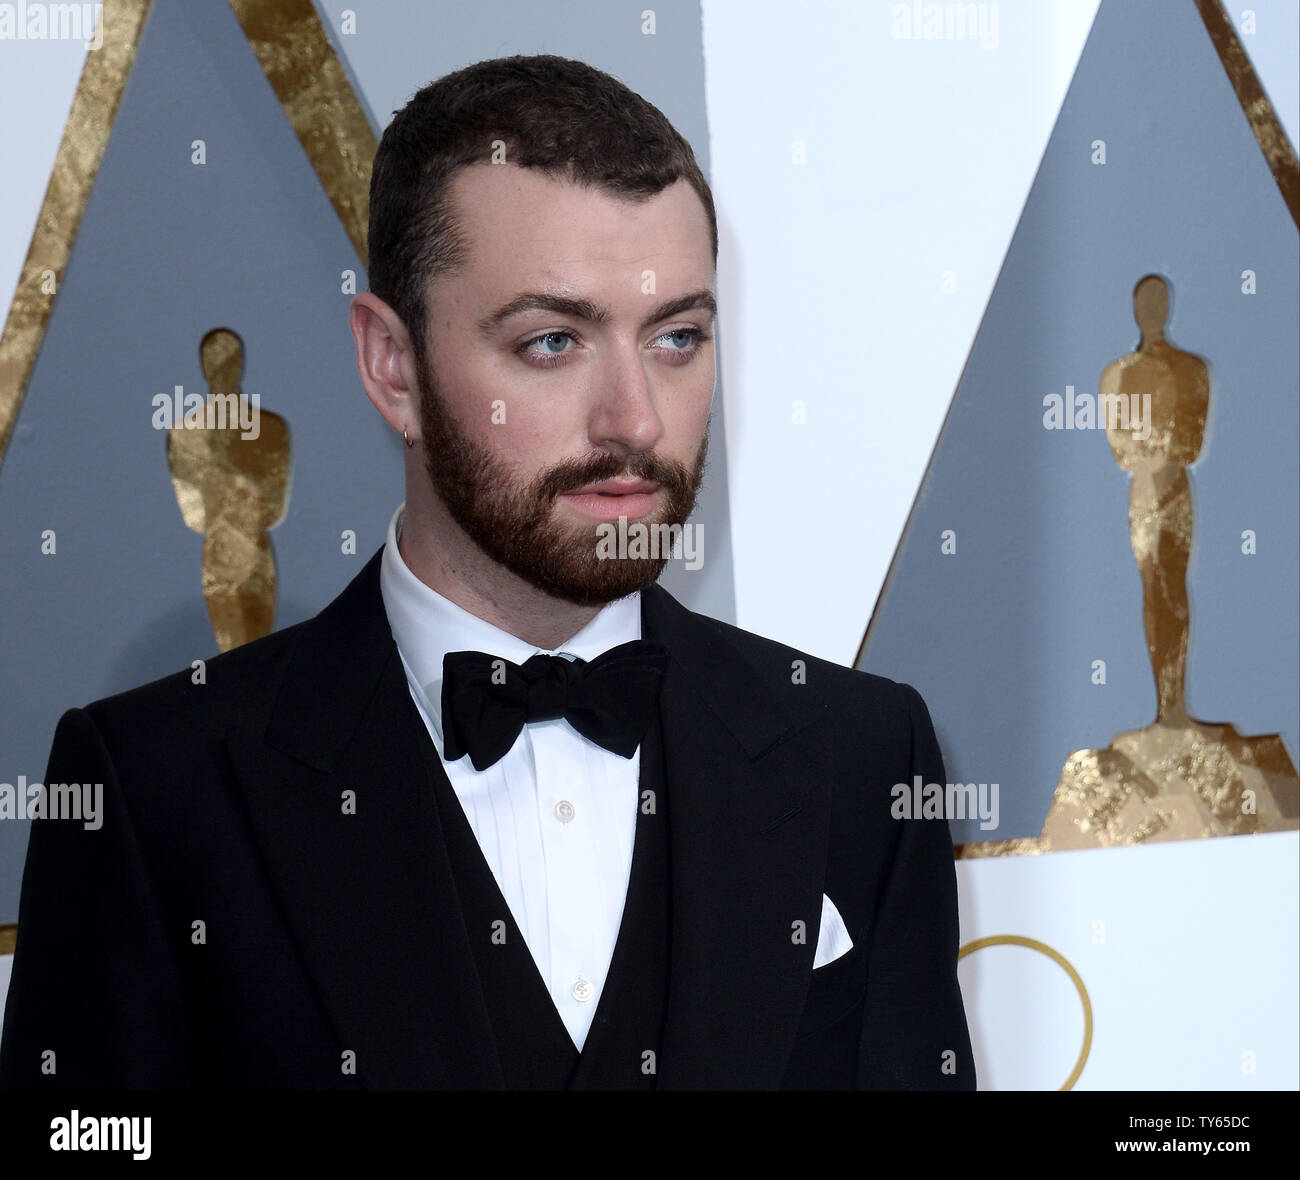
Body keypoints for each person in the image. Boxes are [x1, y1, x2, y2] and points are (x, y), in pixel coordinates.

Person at [0, 54, 974, 1090]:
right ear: (393, 367)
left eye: (677, 337)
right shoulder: (156, 790)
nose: (636, 420)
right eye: (553, 341)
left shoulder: (859, 754)